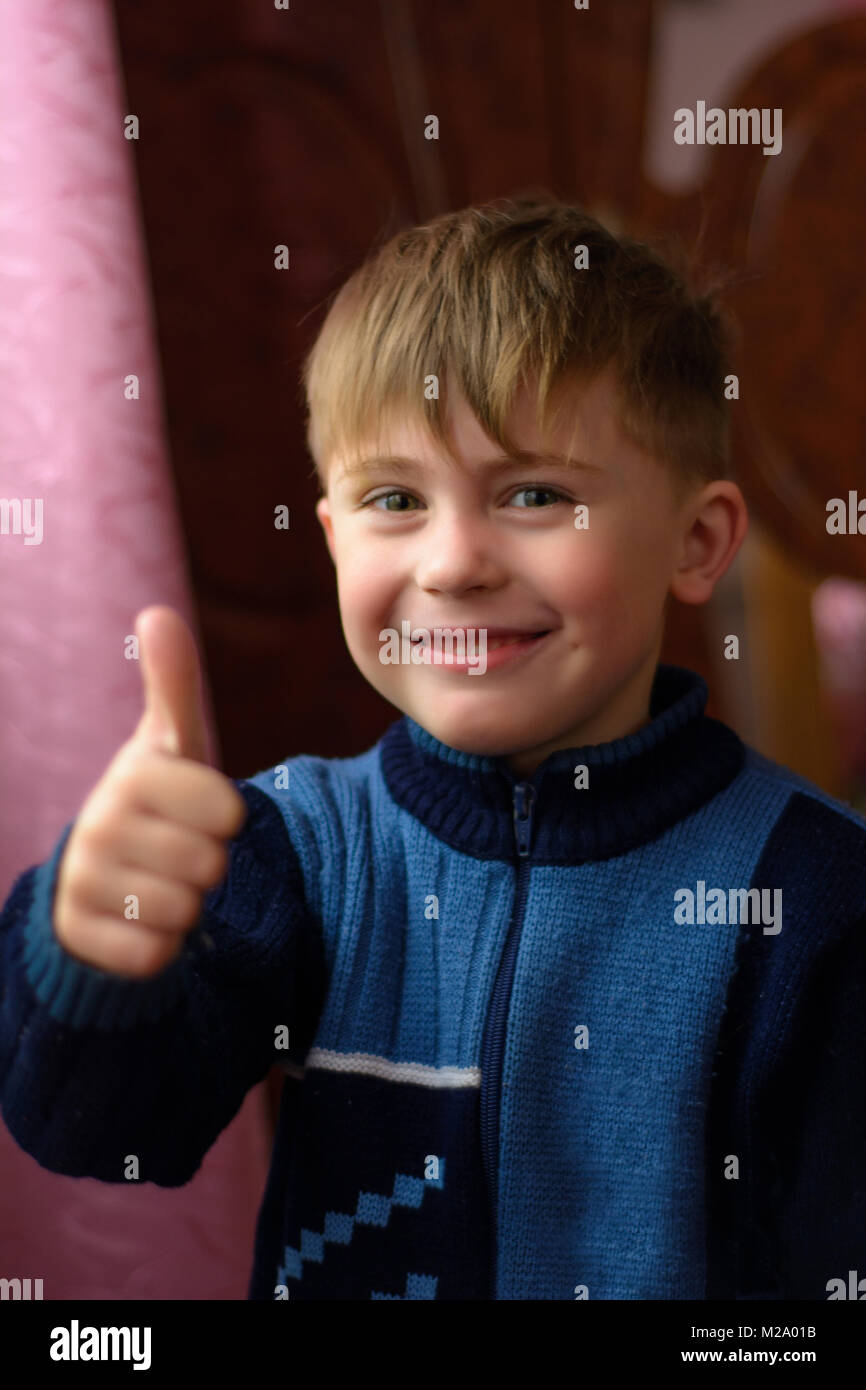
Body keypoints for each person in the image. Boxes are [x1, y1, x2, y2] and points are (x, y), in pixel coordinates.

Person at [2, 197, 865, 1301]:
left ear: (694, 542)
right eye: (395, 498)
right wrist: (92, 936)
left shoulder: (815, 895)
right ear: (330, 536)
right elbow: (98, 1128)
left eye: (534, 493)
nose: (453, 561)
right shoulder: (286, 856)